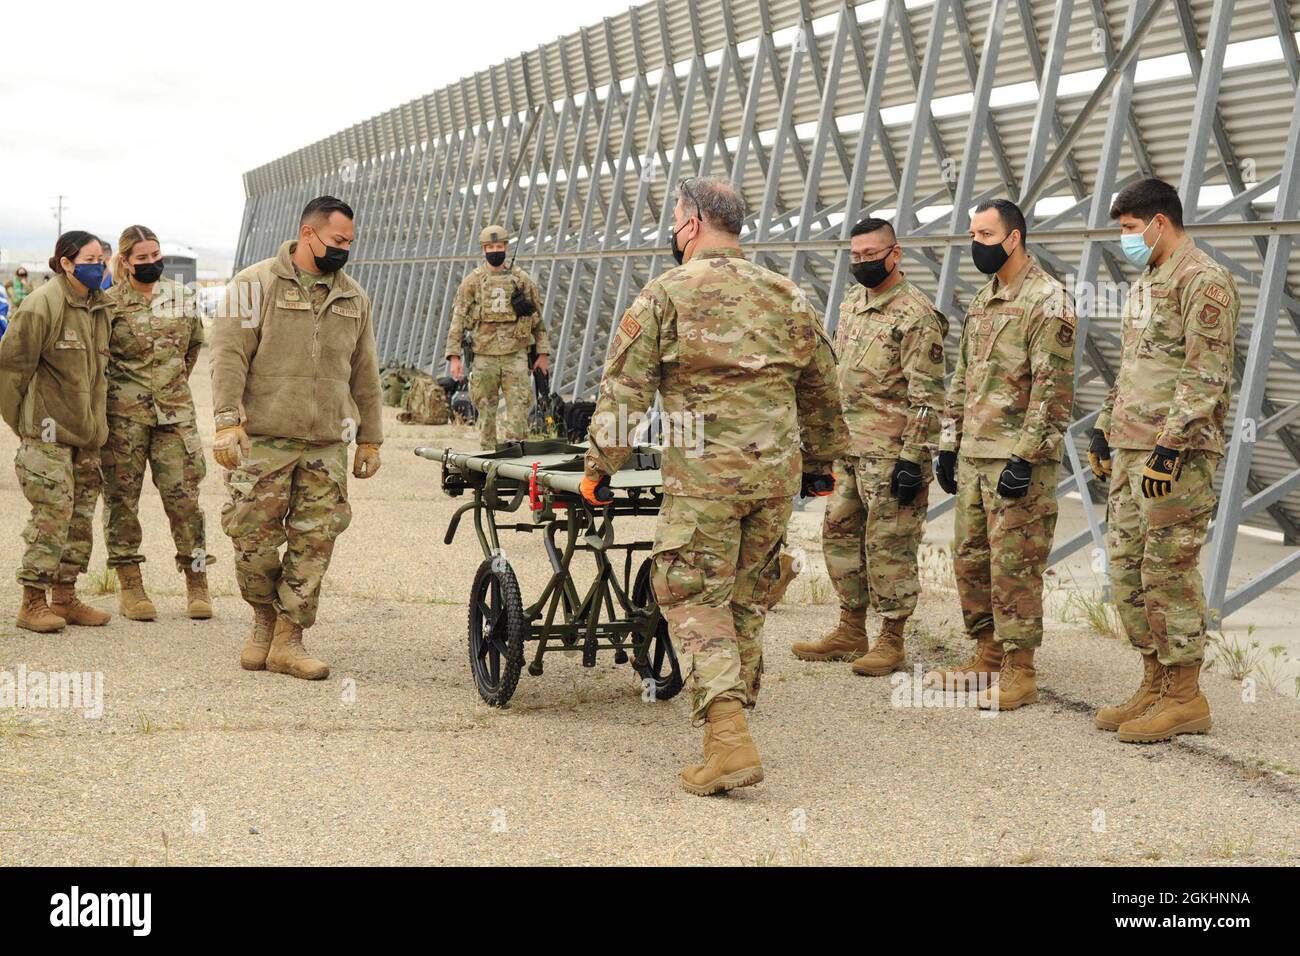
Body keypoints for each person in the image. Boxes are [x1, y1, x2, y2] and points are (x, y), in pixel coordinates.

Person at [582, 176, 848, 795]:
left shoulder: (666, 293)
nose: (673, 228)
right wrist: (822, 462)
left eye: (675, 217)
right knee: (747, 596)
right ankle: (733, 723)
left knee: (694, 594)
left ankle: (727, 738)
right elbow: (821, 388)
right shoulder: (787, 294)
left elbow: (626, 389)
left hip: (705, 478)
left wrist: (600, 467)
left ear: (692, 222)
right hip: (774, 478)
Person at [209, 196, 383, 680]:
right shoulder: (254, 283)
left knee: (315, 541)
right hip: (263, 440)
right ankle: (262, 620)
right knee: (251, 538)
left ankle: (289, 638)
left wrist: (370, 437)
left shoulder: (353, 297)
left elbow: (365, 371)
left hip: (326, 443)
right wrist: (227, 421)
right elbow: (227, 356)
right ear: (308, 233)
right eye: (337, 240)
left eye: (350, 242)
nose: (345, 249)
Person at [1091, 177, 1239, 742]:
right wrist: (1105, 428)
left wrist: (1169, 448)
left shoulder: (1203, 280)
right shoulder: (1150, 279)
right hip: (1132, 447)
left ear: (1160, 222)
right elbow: (1136, 366)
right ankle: (1153, 682)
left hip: (1174, 454)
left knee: (1168, 571)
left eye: (1130, 229)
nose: (1126, 239)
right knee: (1127, 568)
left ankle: (1186, 695)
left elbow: (1206, 375)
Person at [927, 198, 1076, 711]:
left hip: (1016, 459)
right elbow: (963, 378)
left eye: (986, 236)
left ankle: (1020, 670)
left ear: (1014, 238)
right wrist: (949, 444)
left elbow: (1053, 390)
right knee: (971, 561)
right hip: (974, 454)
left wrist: (1027, 456)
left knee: (1015, 566)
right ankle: (987, 655)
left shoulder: (1048, 300)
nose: (976, 245)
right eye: (972, 235)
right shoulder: (983, 300)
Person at [792, 218, 947, 675]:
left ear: (895, 254)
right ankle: (850, 628)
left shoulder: (916, 315)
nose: (862, 262)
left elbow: (928, 398)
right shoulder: (852, 303)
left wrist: (914, 459)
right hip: (850, 450)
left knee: (889, 547)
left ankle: (892, 639)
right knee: (839, 537)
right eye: (855, 256)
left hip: (892, 456)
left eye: (871, 254)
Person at [0, 231, 112, 632]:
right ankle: (32, 601)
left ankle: (65, 597)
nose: (99, 265)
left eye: (102, 258)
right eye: (90, 258)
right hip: (46, 437)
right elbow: (10, 372)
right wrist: (26, 426)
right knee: (52, 514)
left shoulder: (99, 307)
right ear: (66, 262)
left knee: (80, 519)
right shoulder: (41, 304)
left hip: (86, 437)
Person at [101, 225, 210, 621]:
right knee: (121, 502)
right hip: (123, 419)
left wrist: (170, 384)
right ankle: (131, 585)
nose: (151, 263)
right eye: (142, 257)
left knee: (185, 502)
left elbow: (193, 346)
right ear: (126, 261)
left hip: (175, 416)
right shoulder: (108, 304)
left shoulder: (181, 297)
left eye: (155, 255)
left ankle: (197, 580)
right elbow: (100, 358)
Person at [445, 225, 550, 448]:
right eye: (490, 246)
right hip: (484, 356)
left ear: (506, 247)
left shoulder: (521, 280)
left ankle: (516, 457)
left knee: (519, 408)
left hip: (516, 354)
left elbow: (537, 319)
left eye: (499, 246)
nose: (495, 250)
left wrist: (542, 354)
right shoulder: (473, 282)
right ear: (483, 249)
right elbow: (458, 320)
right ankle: (487, 458)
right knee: (485, 410)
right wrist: (454, 357)